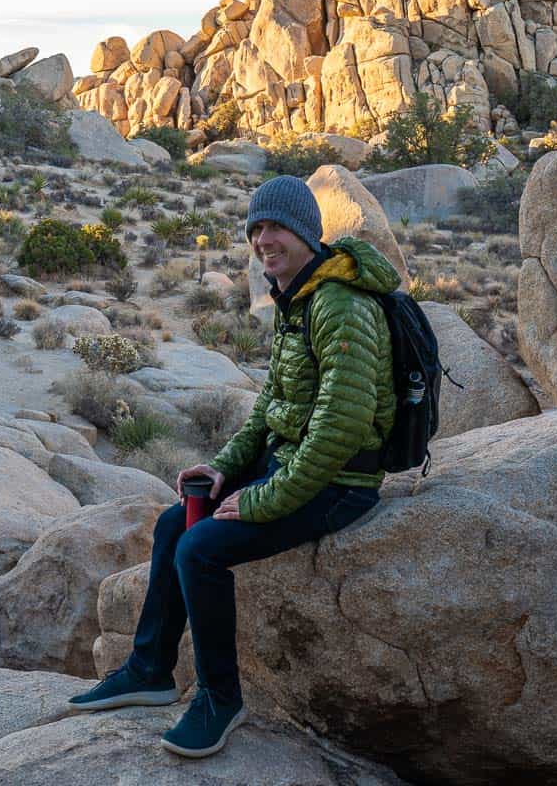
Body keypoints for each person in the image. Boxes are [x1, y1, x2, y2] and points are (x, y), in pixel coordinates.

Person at [69, 174, 401, 758]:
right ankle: (149, 670)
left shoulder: (340, 304)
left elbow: (340, 430)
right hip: (295, 460)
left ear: (305, 231)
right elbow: (270, 407)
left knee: (202, 548)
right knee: (176, 523)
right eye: (255, 229)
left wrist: (261, 499)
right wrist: (224, 471)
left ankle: (221, 698)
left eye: (275, 227)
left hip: (342, 480)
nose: (263, 239)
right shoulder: (295, 297)